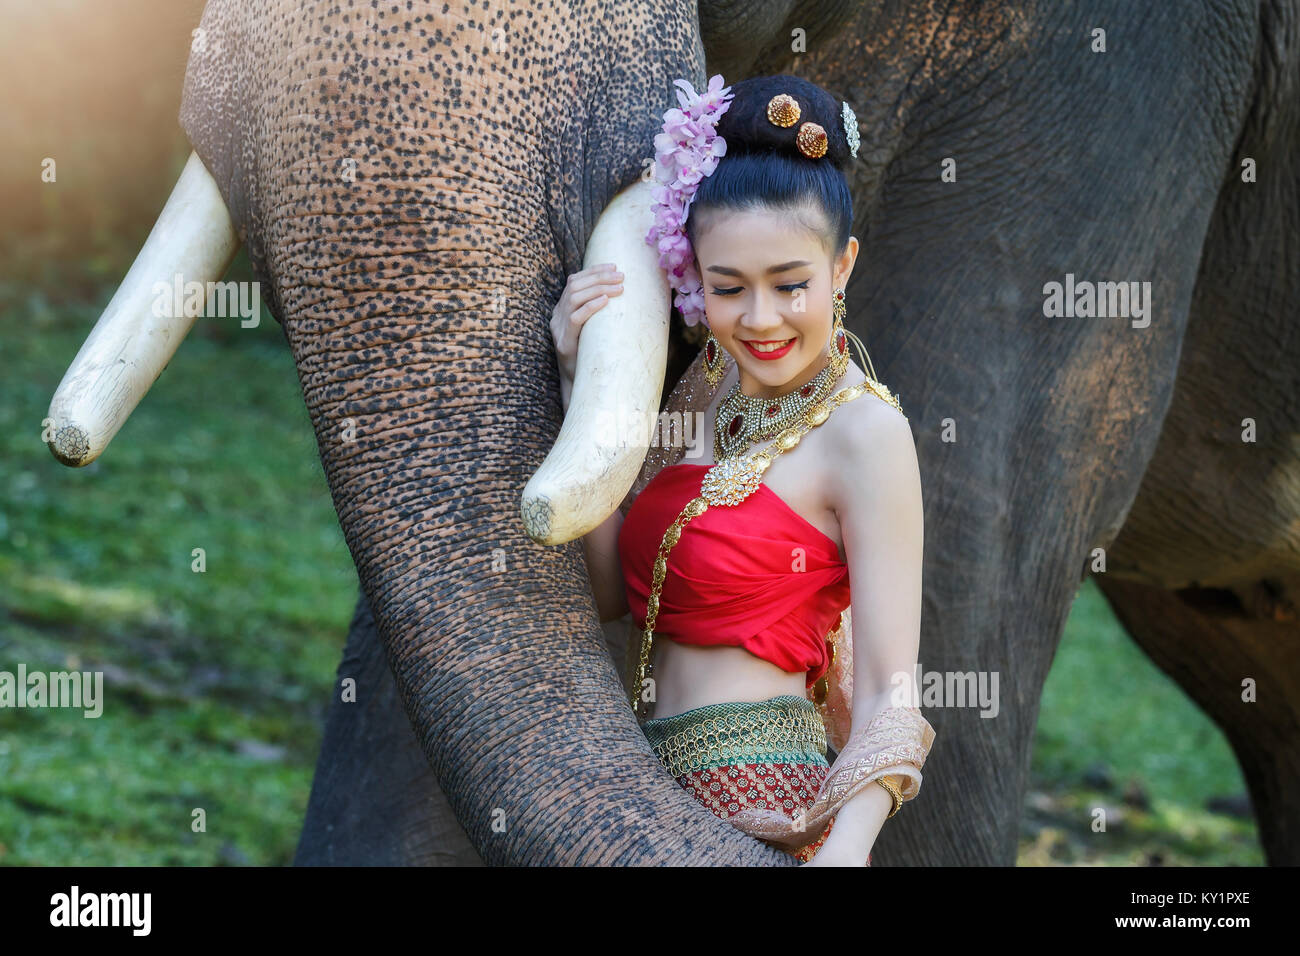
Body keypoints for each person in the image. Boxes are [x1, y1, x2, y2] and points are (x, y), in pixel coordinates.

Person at [550, 73, 935, 866]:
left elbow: (892, 694)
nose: (760, 320)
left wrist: (845, 852)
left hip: (763, 806)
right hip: (633, 792)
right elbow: (610, 597)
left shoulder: (868, 433)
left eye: (791, 285)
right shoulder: (707, 389)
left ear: (843, 268)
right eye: (729, 288)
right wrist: (569, 375)